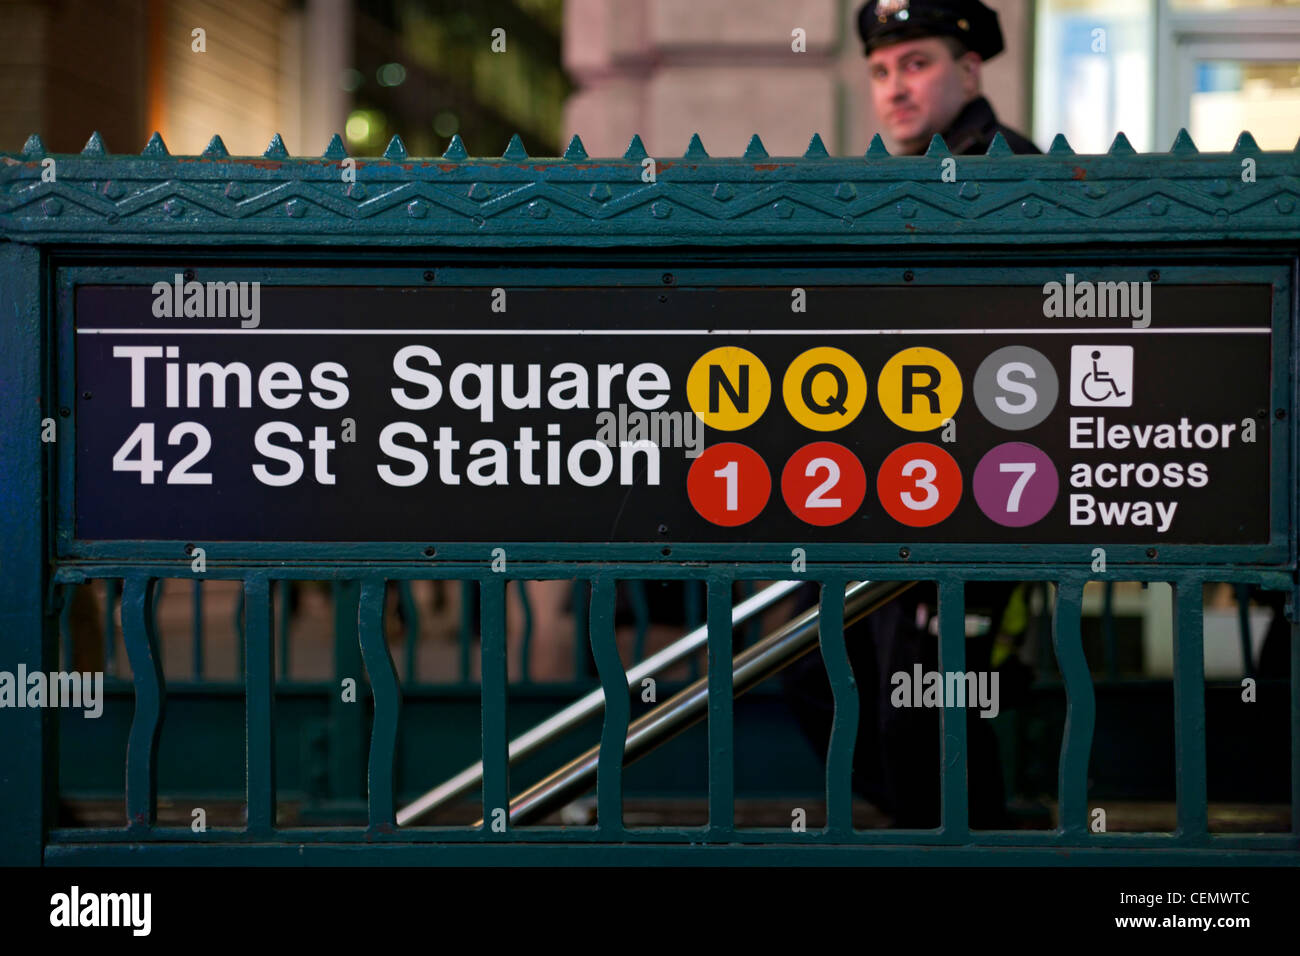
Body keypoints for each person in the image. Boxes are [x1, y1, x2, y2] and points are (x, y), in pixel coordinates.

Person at [780, 0, 1039, 830]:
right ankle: (951, 836)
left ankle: (963, 842)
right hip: (893, 488)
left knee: (925, 710)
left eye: (917, 63)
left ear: (968, 68)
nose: (895, 87)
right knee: (822, 675)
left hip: (976, 493)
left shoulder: (1006, 170)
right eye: (883, 70)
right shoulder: (903, 179)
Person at [859, 0, 1039, 157]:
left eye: (915, 65)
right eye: (881, 73)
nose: (894, 91)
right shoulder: (917, 164)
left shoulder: (1008, 166)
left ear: (969, 71)